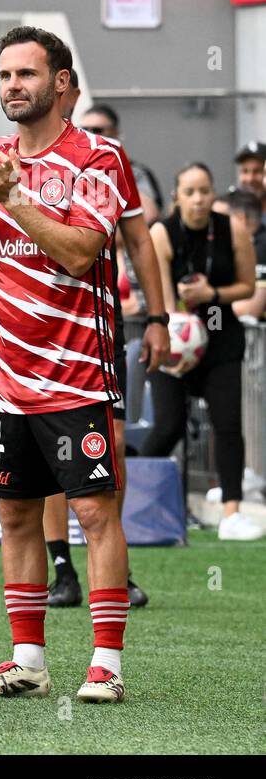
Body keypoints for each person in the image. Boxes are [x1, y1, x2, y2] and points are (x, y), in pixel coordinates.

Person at [0, 25, 134, 703]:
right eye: (3, 76)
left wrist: (15, 200)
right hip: (4, 383)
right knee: (16, 518)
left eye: (24, 74)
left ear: (59, 82)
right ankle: (27, 659)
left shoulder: (98, 158)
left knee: (93, 513)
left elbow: (81, 251)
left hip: (79, 373)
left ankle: (106, 664)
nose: (12, 87)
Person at [44, 66, 169, 610]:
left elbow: (139, 240)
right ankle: (62, 569)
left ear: (64, 84)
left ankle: (113, 565)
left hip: (97, 328)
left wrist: (159, 317)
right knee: (43, 458)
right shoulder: (9, 157)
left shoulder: (106, 160)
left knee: (110, 448)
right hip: (33, 333)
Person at [140, 164, 261, 541]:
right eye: (190, 191)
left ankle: (231, 512)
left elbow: (246, 285)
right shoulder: (162, 232)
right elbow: (158, 294)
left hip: (221, 336)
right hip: (174, 340)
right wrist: (177, 316)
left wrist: (213, 296)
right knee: (168, 425)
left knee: (227, 424)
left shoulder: (231, 229)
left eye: (205, 190)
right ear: (176, 196)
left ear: (213, 194)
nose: (198, 199)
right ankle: (137, 496)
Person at [78, 104, 162, 223]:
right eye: (84, 130)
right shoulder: (72, 168)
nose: (90, 135)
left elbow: (149, 215)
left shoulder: (134, 172)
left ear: (115, 133)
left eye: (98, 130)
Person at [223, 188, 266, 320]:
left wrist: (212, 304)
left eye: (222, 219)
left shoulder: (261, 247)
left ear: (240, 219)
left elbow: (250, 308)